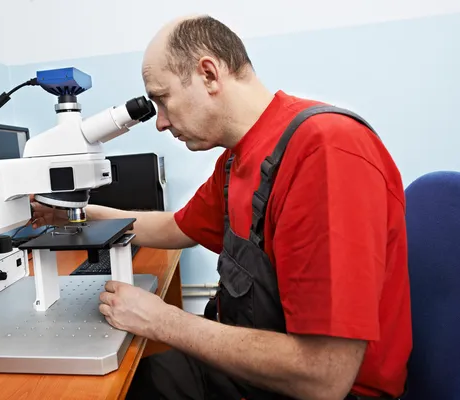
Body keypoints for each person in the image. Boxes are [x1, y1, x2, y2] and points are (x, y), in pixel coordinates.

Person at [32, 15, 412, 400]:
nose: (160, 122)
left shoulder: (325, 152)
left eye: (163, 99)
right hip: (250, 372)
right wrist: (75, 214)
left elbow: (324, 376)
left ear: (209, 74)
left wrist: (163, 321)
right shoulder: (237, 159)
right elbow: (175, 227)